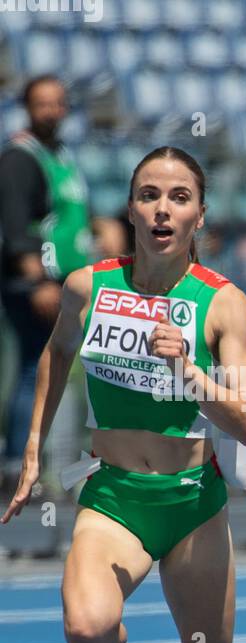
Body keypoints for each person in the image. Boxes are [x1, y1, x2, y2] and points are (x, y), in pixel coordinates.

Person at [1, 146, 246, 643]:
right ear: (132, 209)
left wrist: (192, 374)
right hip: (113, 493)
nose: (163, 209)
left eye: (179, 196)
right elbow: (52, 356)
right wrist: (30, 456)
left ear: (199, 215)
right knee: (85, 627)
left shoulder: (225, 303)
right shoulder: (90, 286)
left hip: (191, 503)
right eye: (149, 195)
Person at [0, 76, 112, 484]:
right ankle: (17, 465)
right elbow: (16, 227)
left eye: (57, 103)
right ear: (28, 108)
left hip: (67, 283)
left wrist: (103, 228)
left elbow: (70, 214)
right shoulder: (19, 157)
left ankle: (62, 464)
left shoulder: (61, 155)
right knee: (35, 368)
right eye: (41, 104)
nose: (51, 111)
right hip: (36, 285)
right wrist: (38, 282)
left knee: (67, 368)